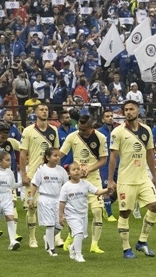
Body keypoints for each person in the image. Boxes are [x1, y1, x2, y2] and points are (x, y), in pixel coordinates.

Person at [106, 99, 156, 259]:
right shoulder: (118, 132)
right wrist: (110, 180)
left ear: (138, 111)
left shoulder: (147, 130)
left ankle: (142, 241)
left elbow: (150, 154)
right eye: (126, 110)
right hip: (126, 180)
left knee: (155, 206)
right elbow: (113, 157)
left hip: (143, 178)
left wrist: (154, 176)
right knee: (125, 213)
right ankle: (126, 248)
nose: (128, 112)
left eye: (132, 109)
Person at [58, 114, 108, 253]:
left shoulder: (101, 138)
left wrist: (89, 169)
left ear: (91, 128)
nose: (80, 131)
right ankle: (70, 235)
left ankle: (94, 244)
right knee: (73, 212)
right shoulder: (72, 136)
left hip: (93, 178)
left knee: (97, 210)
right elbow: (61, 154)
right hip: (75, 179)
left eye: (84, 129)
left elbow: (103, 160)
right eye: (79, 128)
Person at [21, 102, 59, 248]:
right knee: (31, 206)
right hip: (33, 174)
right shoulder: (28, 131)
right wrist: (23, 174)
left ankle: (55, 237)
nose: (44, 112)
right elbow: (23, 154)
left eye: (46, 110)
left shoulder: (53, 130)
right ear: (35, 113)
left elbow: (56, 151)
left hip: (50, 173)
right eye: (41, 110)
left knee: (55, 205)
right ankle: (32, 238)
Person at [59, 161, 109, 263]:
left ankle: (72, 247)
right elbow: (62, 202)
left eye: (78, 169)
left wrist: (109, 189)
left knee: (82, 236)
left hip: (83, 214)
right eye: (73, 169)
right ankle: (78, 255)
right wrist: (61, 215)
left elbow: (97, 192)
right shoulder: (66, 186)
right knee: (78, 232)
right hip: (72, 214)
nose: (77, 171)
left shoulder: (86, 184)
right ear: (69, 173)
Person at [30, 147, 68, 256]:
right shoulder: (41, 170)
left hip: (58, 199)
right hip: (45, 198)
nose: (57, 157)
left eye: (58, 155)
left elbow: (66, 186)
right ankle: (51, 248)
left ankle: (48, 237)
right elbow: (35, 184)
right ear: (47, 157)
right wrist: (31, 198)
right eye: (55, 155)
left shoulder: (61, 170)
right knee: (50, 224)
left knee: (60, 224)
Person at [0, 150, 21, 251]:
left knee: (10, 217)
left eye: (10, 160)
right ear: (0, 161)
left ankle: (12, 241)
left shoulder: (10, 173)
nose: (10, 162)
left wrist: (22, 183)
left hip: (7, 197)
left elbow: (12, 185)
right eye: (7, 160)